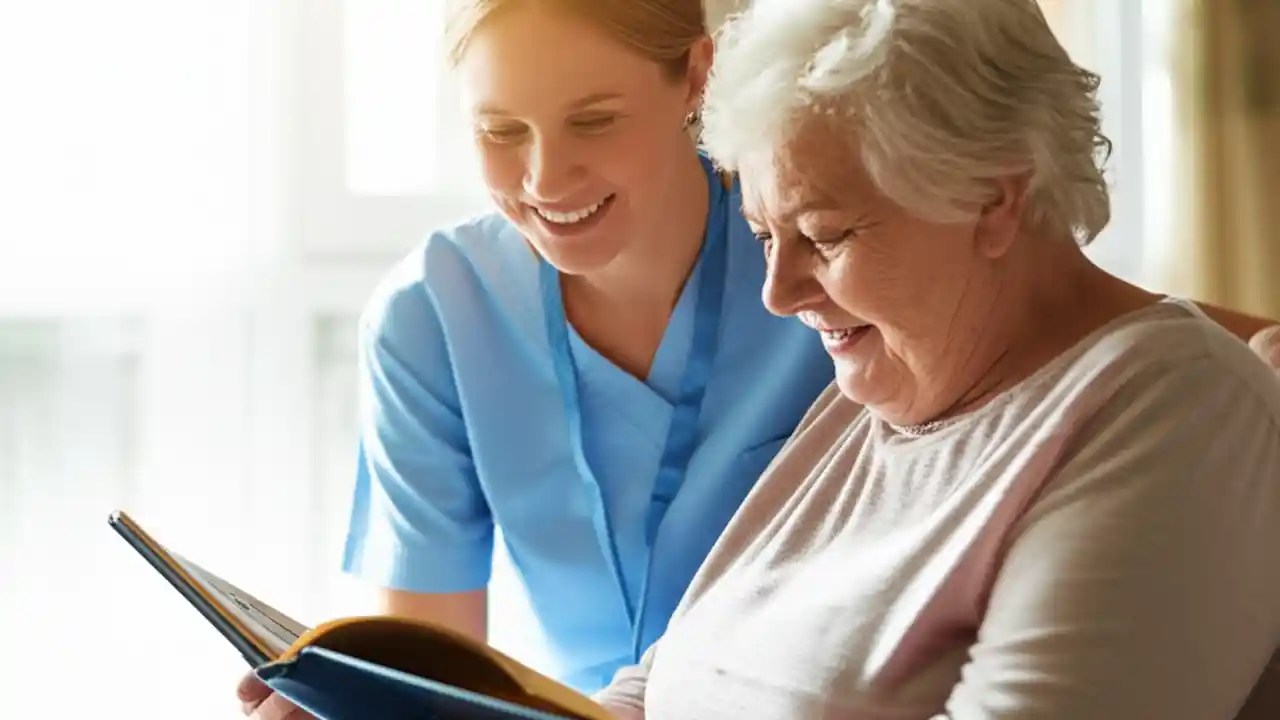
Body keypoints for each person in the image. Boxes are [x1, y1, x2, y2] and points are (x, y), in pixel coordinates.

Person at [593, 0, 1280, 717]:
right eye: (767, 237)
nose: (778, 294)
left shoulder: (1175, 410)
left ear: (992, 198)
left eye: (824, 236)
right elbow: (673, 676)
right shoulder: (878, 389)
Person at [237, 1, 833, 715]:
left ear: (695, 78)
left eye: (594, 121)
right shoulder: (434, 317)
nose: (546, 180)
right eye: (500, 131)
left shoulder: (823, 263)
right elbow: (428, 675)